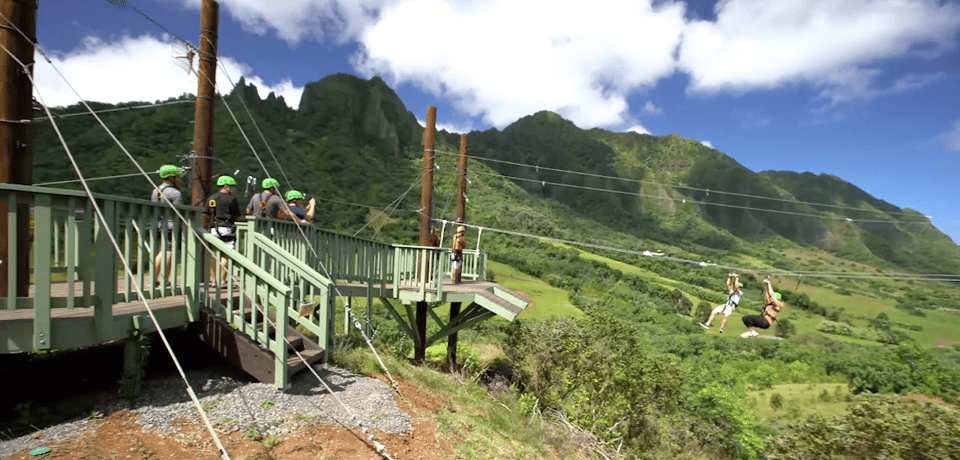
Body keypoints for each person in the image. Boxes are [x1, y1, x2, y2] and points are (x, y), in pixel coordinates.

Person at [204, 175, 244, 285]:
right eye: (232, 187)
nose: (234, 189)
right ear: (226, 187)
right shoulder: (231, 199)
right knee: (225, 255)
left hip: (213, 228)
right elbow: (237, 216)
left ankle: (213, 279)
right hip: (226, 228)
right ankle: (222, 280)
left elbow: (206, 212)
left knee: (214, 254)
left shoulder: (211, 198)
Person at [152, 164, 183, 287]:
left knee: (162, 251)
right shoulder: (175, 193)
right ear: (171, 178)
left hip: (159, 224)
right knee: (169, 252)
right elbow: (179, 212)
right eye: (178, 177)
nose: (180, 179)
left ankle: (154, 278)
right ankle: (165, 280)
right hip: (172, 226)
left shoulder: (156, 191)